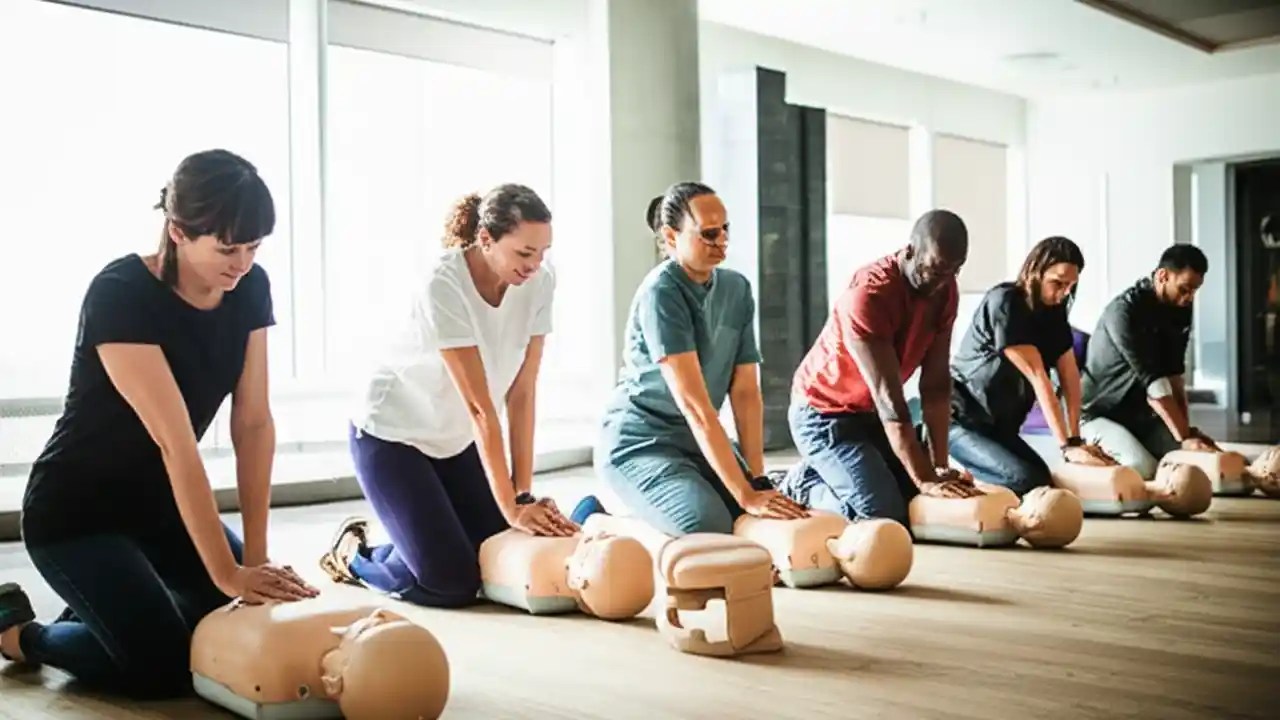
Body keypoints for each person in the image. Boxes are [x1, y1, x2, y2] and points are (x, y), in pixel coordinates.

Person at [0, 149, 317, 699]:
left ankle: (103, 598)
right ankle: (20, 635)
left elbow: (254, 424)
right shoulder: (121, 292)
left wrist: (255, 561)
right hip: (76, 514)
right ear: (177, 231)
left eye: (253, 247)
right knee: (167, 663)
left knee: (234, 623)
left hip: (161, 510)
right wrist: (226, 573)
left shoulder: (250, 289)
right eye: (226, 248)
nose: (242, 263)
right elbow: (175, 443)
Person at [319, 184, 577, 609]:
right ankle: (357, 557)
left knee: (494, 551)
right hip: (393, 436)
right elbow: (480, 409)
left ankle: (415, 538)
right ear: (486, 240)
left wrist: (523, 496)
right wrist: (510, 507)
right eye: (524, 253)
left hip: (454, 441)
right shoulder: (444, 283)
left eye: (543, 252)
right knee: (450, 581)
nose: (535, 265)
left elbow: (523, 393)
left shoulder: (540, 281)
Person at [571, 182, 806, 536]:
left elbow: (745, 392)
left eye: (725, 230)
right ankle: (595, 520)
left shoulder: (736, 289)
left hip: (696, 439)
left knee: (758, 513)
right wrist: (743, 494)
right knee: (706, 525)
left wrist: (756, 482)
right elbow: (695, 406)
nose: (722, 242)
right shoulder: (661, 292)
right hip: (639, 442)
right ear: (670, 235)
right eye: (709, 234)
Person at [779, 210, 982, 529]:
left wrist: (938, 466)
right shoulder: (869, 295)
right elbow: (890, 400)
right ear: (911, 251)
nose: (942, 282)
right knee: (882, 515)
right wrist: (926, 478)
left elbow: (936, 386)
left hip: (867, 415)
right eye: (935, 270)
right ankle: (801, 486)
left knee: (911, 495)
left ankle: (825, 471)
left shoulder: (945, 288)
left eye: (954, 272)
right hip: (823, 416)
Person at [948, 237, 1116, 495]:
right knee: (1026, 482)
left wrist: (1075, 440)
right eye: (1057, 283)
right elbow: (1039, 378)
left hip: (998, 429)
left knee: (1040, 479)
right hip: (960, 421)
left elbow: (1070, 377)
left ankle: (980, 474)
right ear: (1036, 271)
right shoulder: (1005, 303)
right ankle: (949, 464)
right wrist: (1066, 448)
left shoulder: (1055, 312)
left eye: (1070, 285)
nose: (1064, 292)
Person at [1081, 245, 1216, 479]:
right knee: (1144, 469)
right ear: (1163, 276)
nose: (1189, 298)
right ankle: (1084, 459)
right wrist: (1182, 439)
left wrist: (1186, 432)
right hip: (1098, 414)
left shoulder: (1180, 307)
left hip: (1139, 417)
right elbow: (1154, 382)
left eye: (1195, 290)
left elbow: (1174, 374)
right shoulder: (1124, 312)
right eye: (1184, 289)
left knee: (1200, 460)